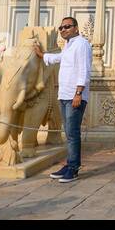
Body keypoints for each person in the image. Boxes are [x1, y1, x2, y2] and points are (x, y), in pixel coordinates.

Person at [32, 16, 91, 182]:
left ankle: (73, 168)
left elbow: (84, 71)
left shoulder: (81, 44)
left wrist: (78, 93)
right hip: (65, 95)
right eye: (61, 28)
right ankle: (69, 164)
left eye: (67, 26)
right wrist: (41, 55)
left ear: (76, 28)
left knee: (72, 134)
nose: (63, 30)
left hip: (74, 96)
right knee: (69, 133)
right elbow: (59, 58)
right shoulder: (68, 45)